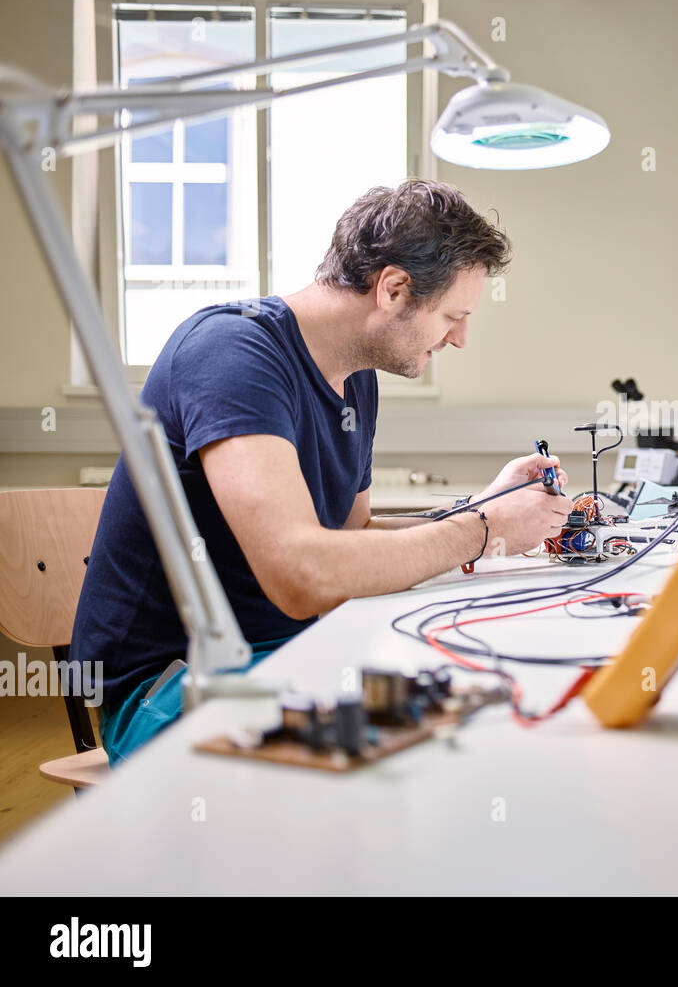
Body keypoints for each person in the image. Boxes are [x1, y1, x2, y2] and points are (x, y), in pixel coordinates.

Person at [70, 179, 571, 764]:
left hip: (287, 646)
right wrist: (481, 529)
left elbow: (348, 540)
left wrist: (481, 512)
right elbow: (303, 576)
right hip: (169, 686)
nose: (459, 338)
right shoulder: (231, 354)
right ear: (394, 288)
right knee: (444, 756)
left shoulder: (357, 376)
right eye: (453, 316)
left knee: (483, 700)